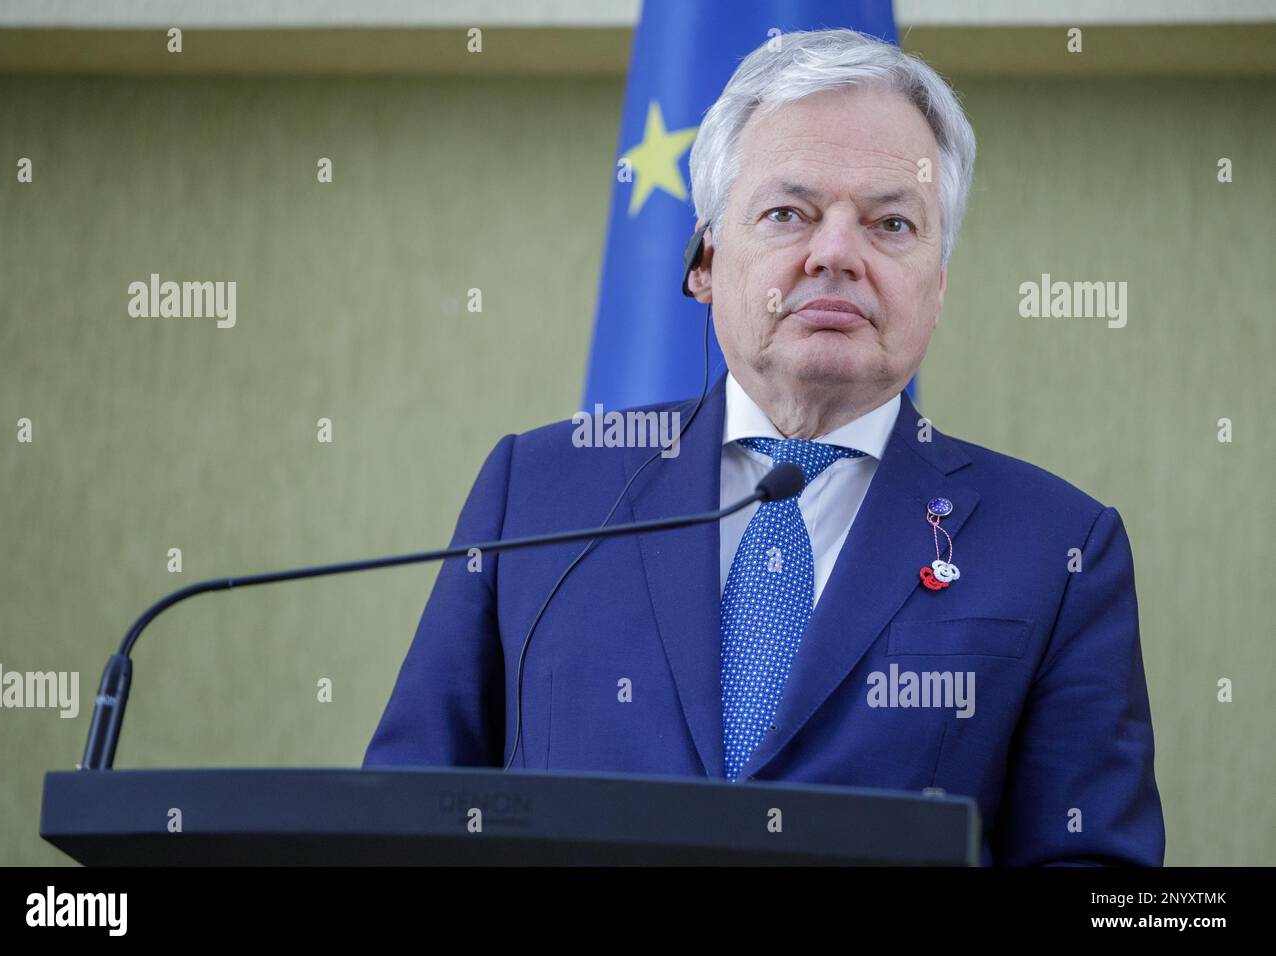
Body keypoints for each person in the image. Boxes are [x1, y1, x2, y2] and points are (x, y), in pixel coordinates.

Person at [365, 28, 1165, 866]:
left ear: (938, 286)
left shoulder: (1057, 547)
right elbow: (403, 817)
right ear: (706, 261)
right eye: (789, 214)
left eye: (892, 223)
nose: (837, 255)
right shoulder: (536, 492)